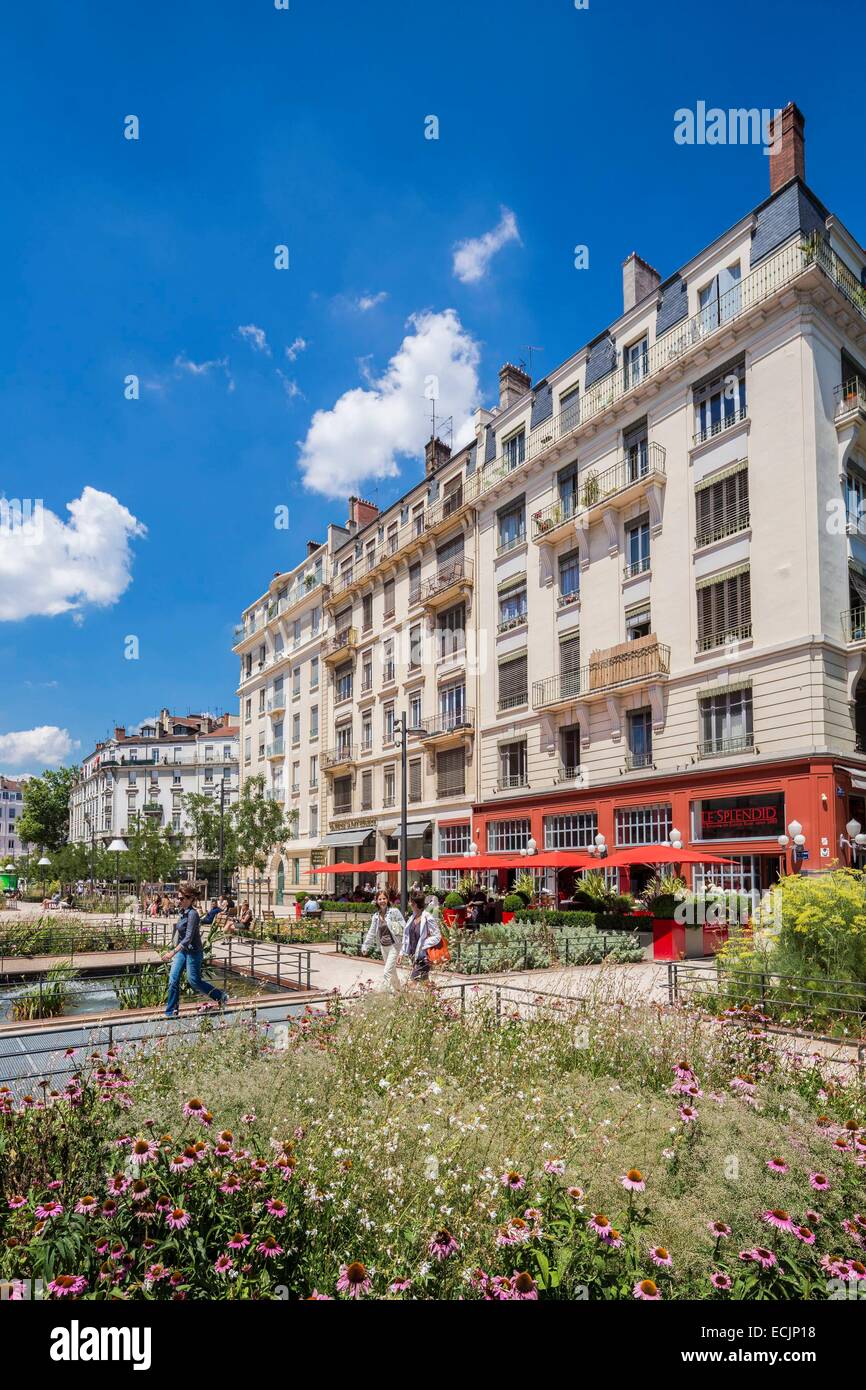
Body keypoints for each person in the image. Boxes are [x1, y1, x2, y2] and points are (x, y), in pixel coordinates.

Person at [162, 884, 227, 1018]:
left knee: (194, 981)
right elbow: (180, 934)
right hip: (182, 952)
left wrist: (172, 952)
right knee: (173, 979)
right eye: (178, 898)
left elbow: (188, 938)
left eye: (182, 898)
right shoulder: (182, 912)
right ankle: (171, 1011)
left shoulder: (193, 914)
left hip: (193, 952)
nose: (179, 901)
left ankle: (220, 996)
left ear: (191, 899)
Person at [361, 889, 405, 993]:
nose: (382, 901)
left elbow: (404, 926)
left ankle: (385, 994)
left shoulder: (394, 912)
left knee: (386, 972)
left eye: (384, 898)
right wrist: (365, 946)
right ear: (376, 901)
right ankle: (399, 991)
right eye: (380, 899)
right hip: (383, 946)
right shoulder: (376, 916)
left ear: (388, 899)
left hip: (394, 945)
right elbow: (372, 932)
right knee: (392, 971)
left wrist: (403, 948)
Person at [400, 889, 442, 984]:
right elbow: (406, 936)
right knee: (424, 981)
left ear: (415, 903)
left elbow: (437, 936)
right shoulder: (412, 917)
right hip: (413, 955)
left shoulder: (428, 917)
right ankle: (433, 996)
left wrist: (424, 943)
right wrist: (402, 952)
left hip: (424, 957)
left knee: (412, 982)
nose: (409, 903)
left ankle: (406, 998)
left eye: (410, 901)